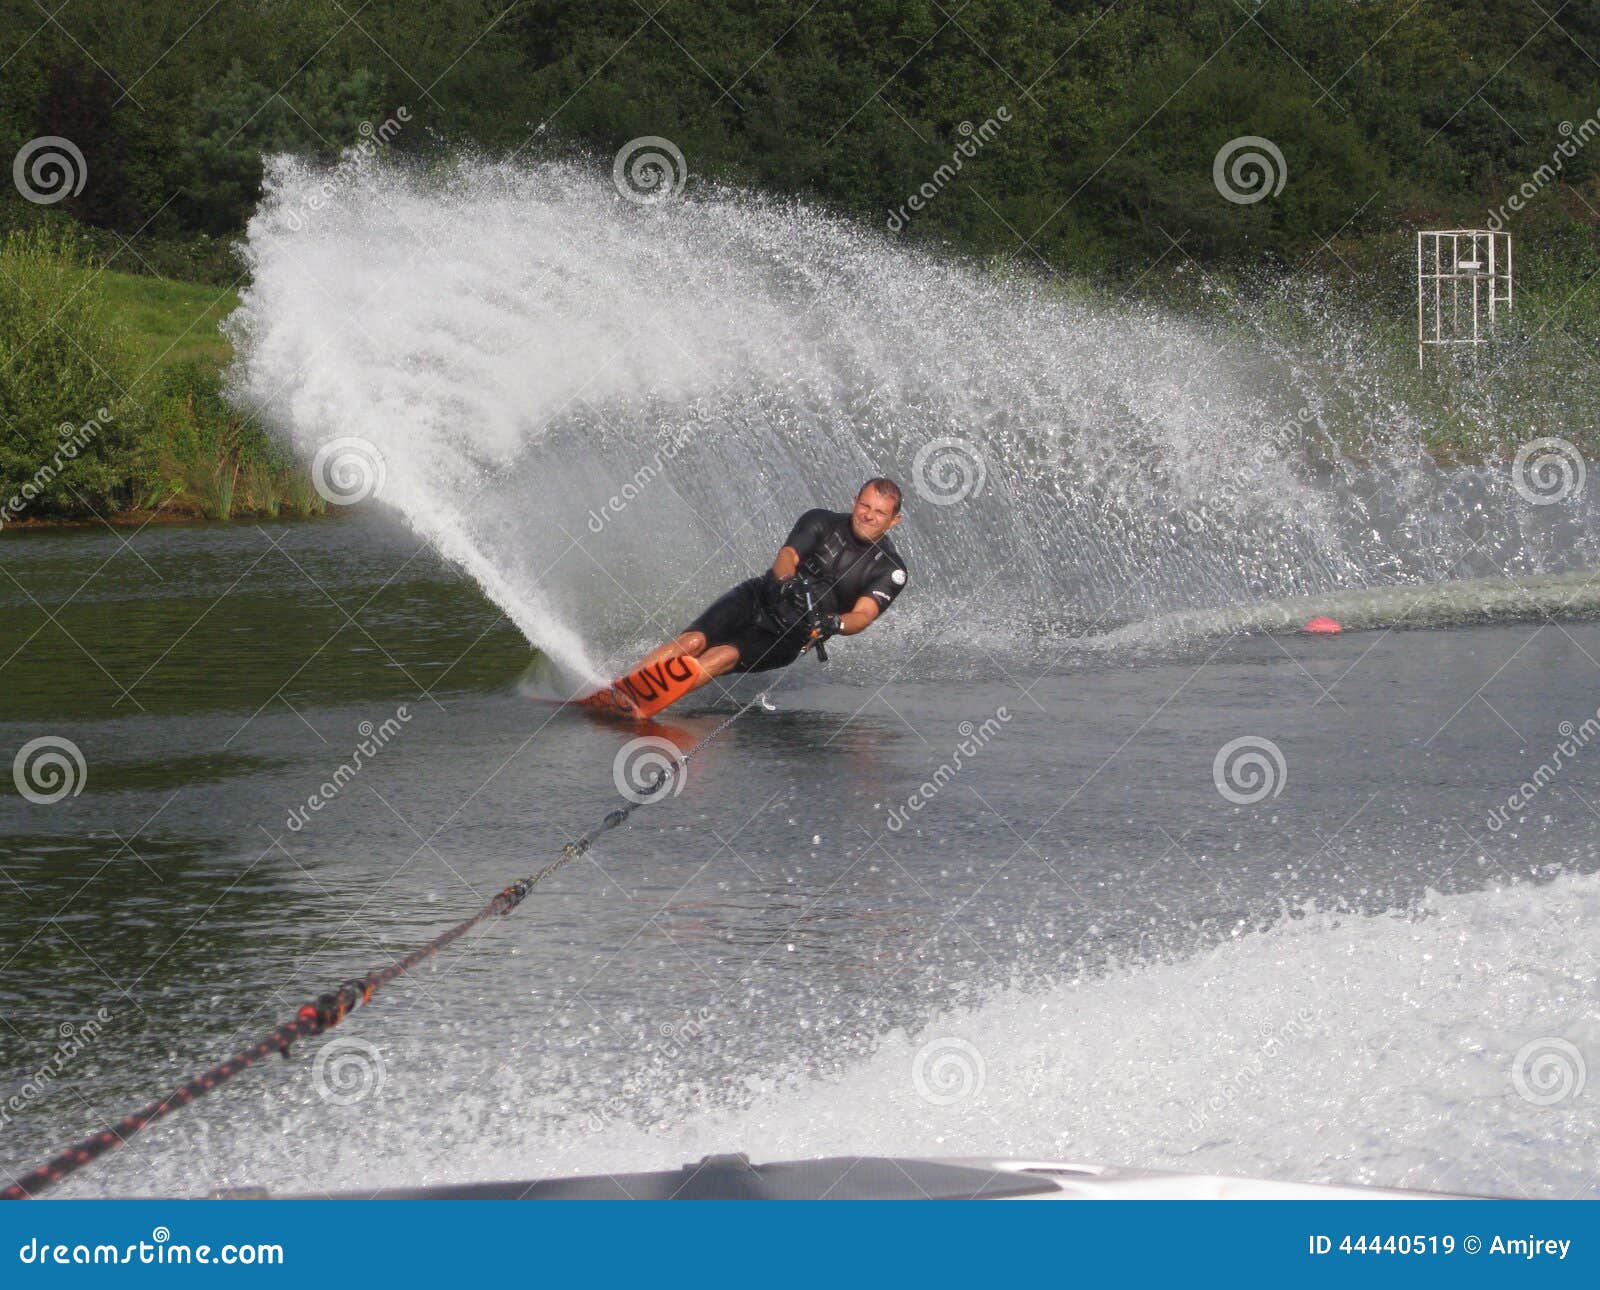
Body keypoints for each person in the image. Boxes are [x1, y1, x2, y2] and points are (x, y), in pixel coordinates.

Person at [604, 478, 909, 713]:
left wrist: (835, 624)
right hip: (757, 597)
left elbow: (863, 615)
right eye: (864, 505)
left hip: (791, 635)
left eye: (880, 512)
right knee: (691, 642)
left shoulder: (890, 568)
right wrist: (787, 581)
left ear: (894, 520)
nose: (868, 515)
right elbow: (787, 555)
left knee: (722, 656)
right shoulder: (820, 521)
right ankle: (618, 690)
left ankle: (646, 704)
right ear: (855, 501)